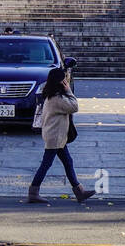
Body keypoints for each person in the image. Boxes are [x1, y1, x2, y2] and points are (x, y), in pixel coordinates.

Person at [27, 66, 95, 206]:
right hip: (55, 137)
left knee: (68, 162)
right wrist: (69, 90)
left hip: (57, 136)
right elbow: (74, 106)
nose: (66, 81)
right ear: (60, 82)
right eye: (64, 79)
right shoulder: (57, 99)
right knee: (46, 165)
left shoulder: (52, 95)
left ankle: (79, 191)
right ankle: (33, 193)